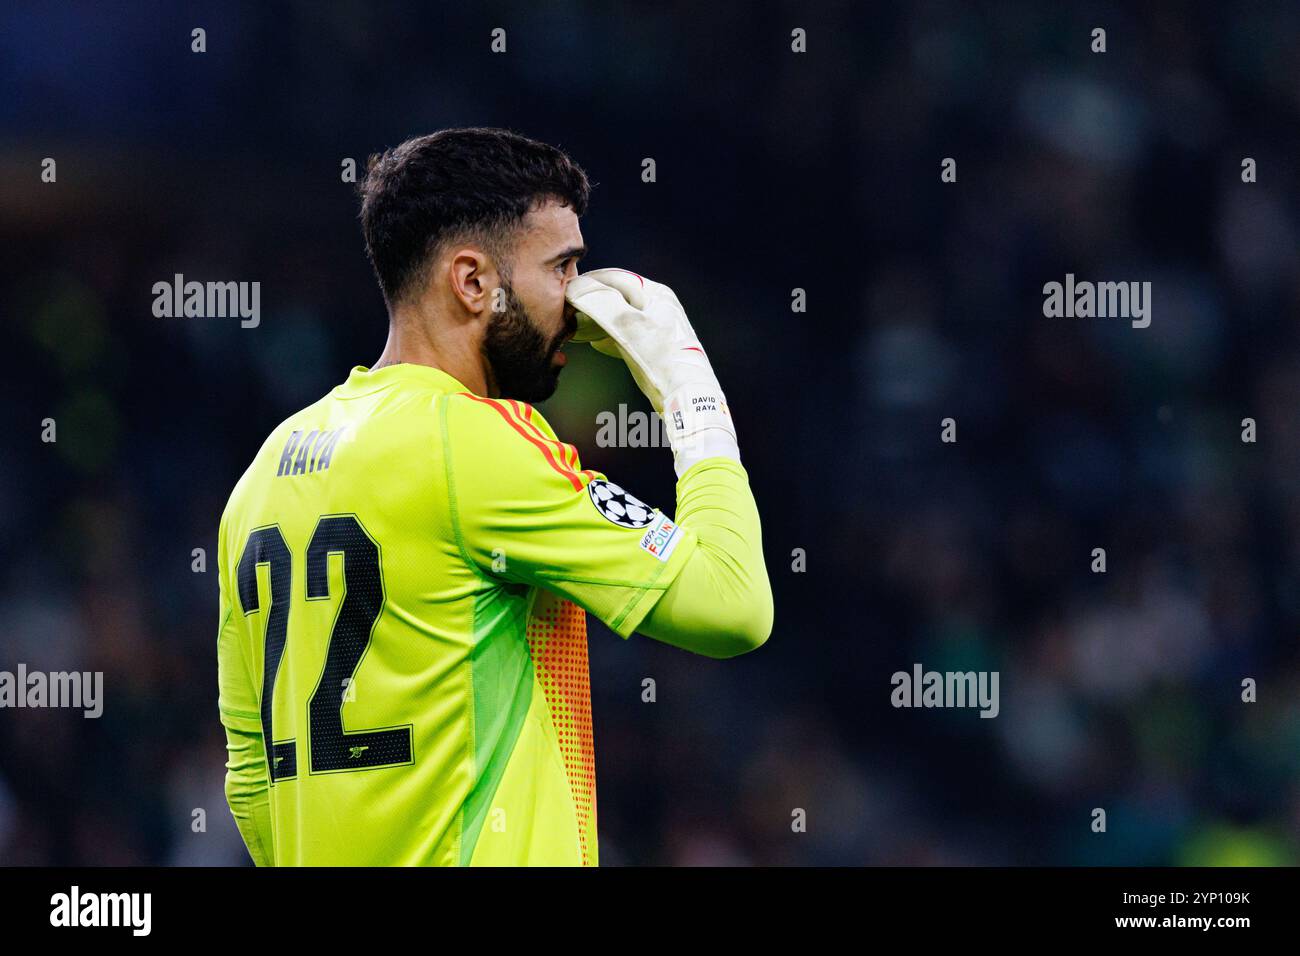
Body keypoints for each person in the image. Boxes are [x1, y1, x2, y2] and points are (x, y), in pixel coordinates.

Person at [217, 127, 772, 866]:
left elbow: (252, 787)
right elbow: (732, 604)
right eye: (563, 268)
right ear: (473, 281)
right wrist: (689, 388)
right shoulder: (480, 442)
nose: (577, 303)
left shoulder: (262, 473)